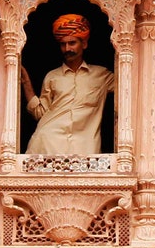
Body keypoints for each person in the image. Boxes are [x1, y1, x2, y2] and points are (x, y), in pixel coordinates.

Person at [22, 13, 114, 155]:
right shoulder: (52, 76)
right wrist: (26, 83)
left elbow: (128, 86)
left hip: (85, 147)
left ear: (84, 44)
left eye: (72, 43)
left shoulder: (102, 75)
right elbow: (40, 113)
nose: (67, 49)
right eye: (63, 44)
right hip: (48, 143)